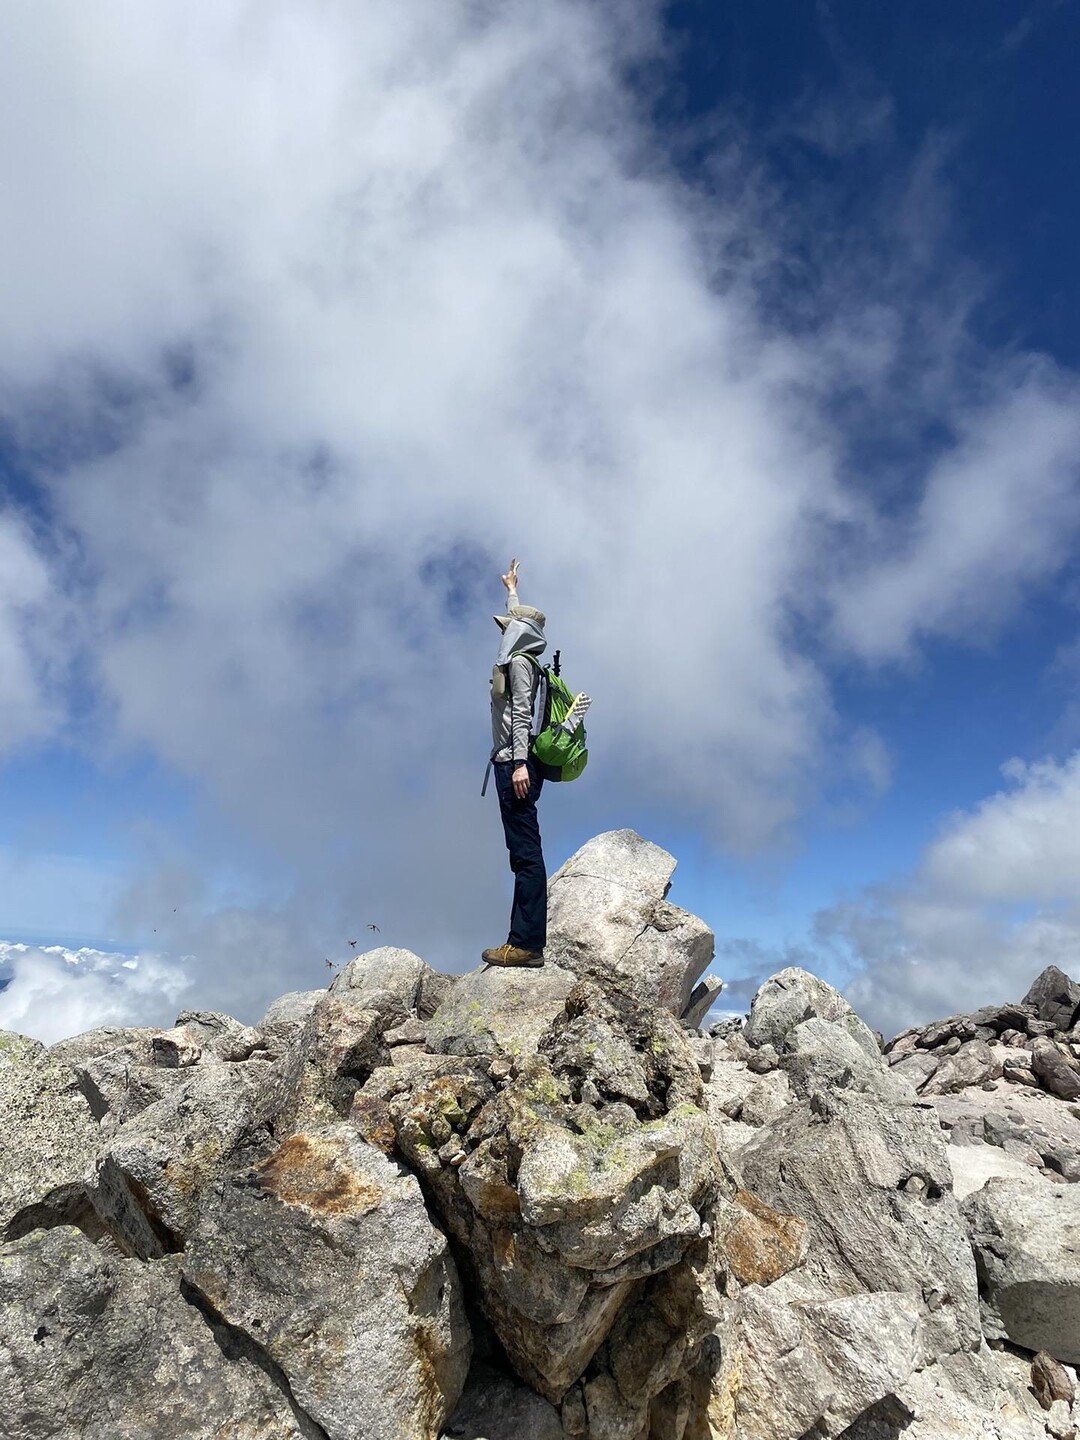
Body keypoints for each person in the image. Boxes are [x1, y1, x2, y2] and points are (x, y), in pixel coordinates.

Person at [482, 558, 547, 968]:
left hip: (514, 766)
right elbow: (520, 619)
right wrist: (512, 590)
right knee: (522, 853)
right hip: (513, 764)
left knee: (525, 856)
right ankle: (524, 941)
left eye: (508, 627)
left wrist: (520, 763)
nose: (503, 632)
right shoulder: (525, 656)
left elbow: (521, 713)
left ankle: (524, 945)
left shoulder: (521, 663)